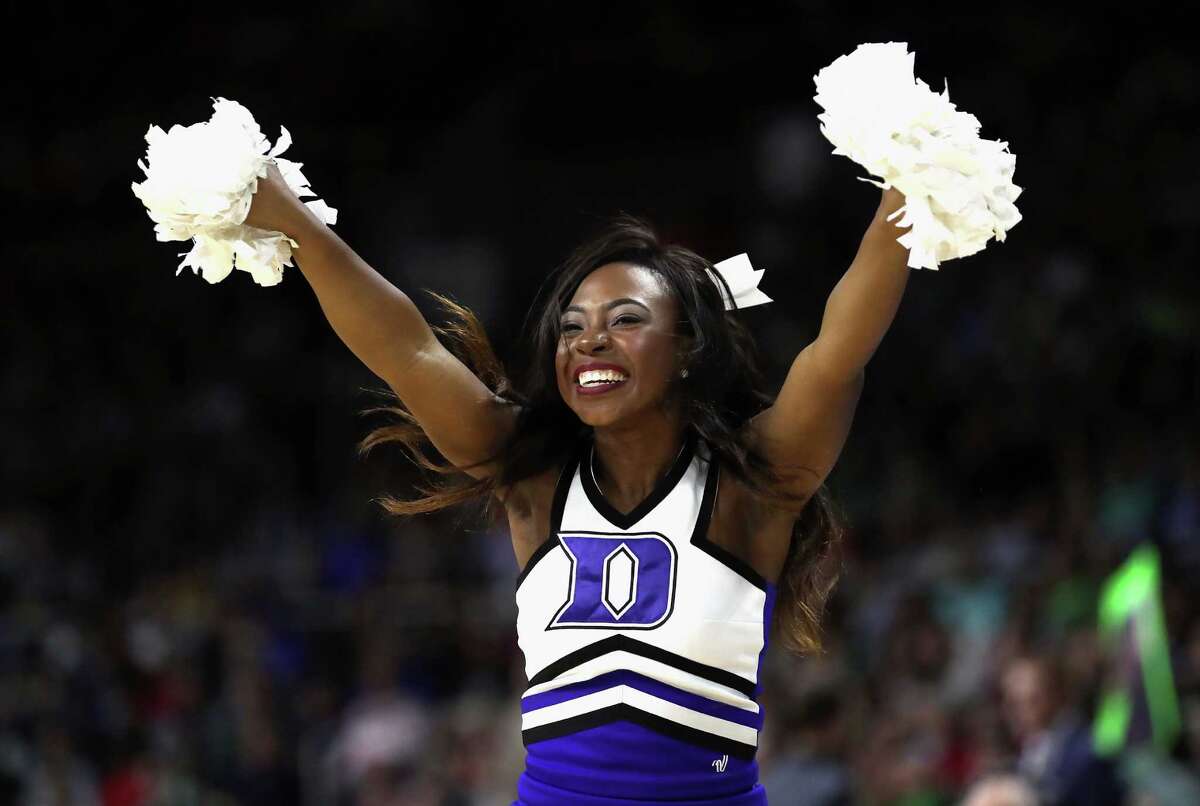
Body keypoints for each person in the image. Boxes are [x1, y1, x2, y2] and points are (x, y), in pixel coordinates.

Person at [241, 160, 912, 804]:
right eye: (572, 327)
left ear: (686, 350)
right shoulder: (531, 481)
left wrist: (906, 191)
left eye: (624, 320)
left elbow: (837, 354)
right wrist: (297, 225)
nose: (589, 341)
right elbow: (407, 349)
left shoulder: (750, 488)